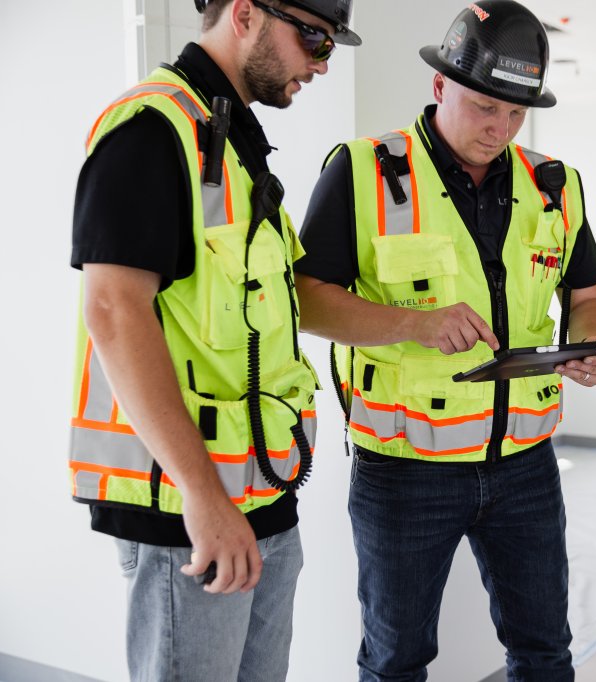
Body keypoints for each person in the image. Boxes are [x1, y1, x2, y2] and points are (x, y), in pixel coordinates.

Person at [295, 1, 596, 678]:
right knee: (396, 659)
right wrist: (414, 324)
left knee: (543, 648)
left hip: (527, 464)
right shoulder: (362, 172)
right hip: (404, 467)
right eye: (484, 107)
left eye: (516, 114)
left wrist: (589, 343)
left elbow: (587, 299)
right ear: (440, 86)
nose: (500, 129)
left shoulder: (556, 189)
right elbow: (306, 302)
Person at [67, 1, 360, 678]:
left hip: (259, 494)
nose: (321, 64)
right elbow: (113, 310)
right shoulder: (151, 129)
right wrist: (203, 497)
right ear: (246, 13)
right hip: (189, 513)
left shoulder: (229, 139)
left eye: (331, 45)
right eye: (313, 37)